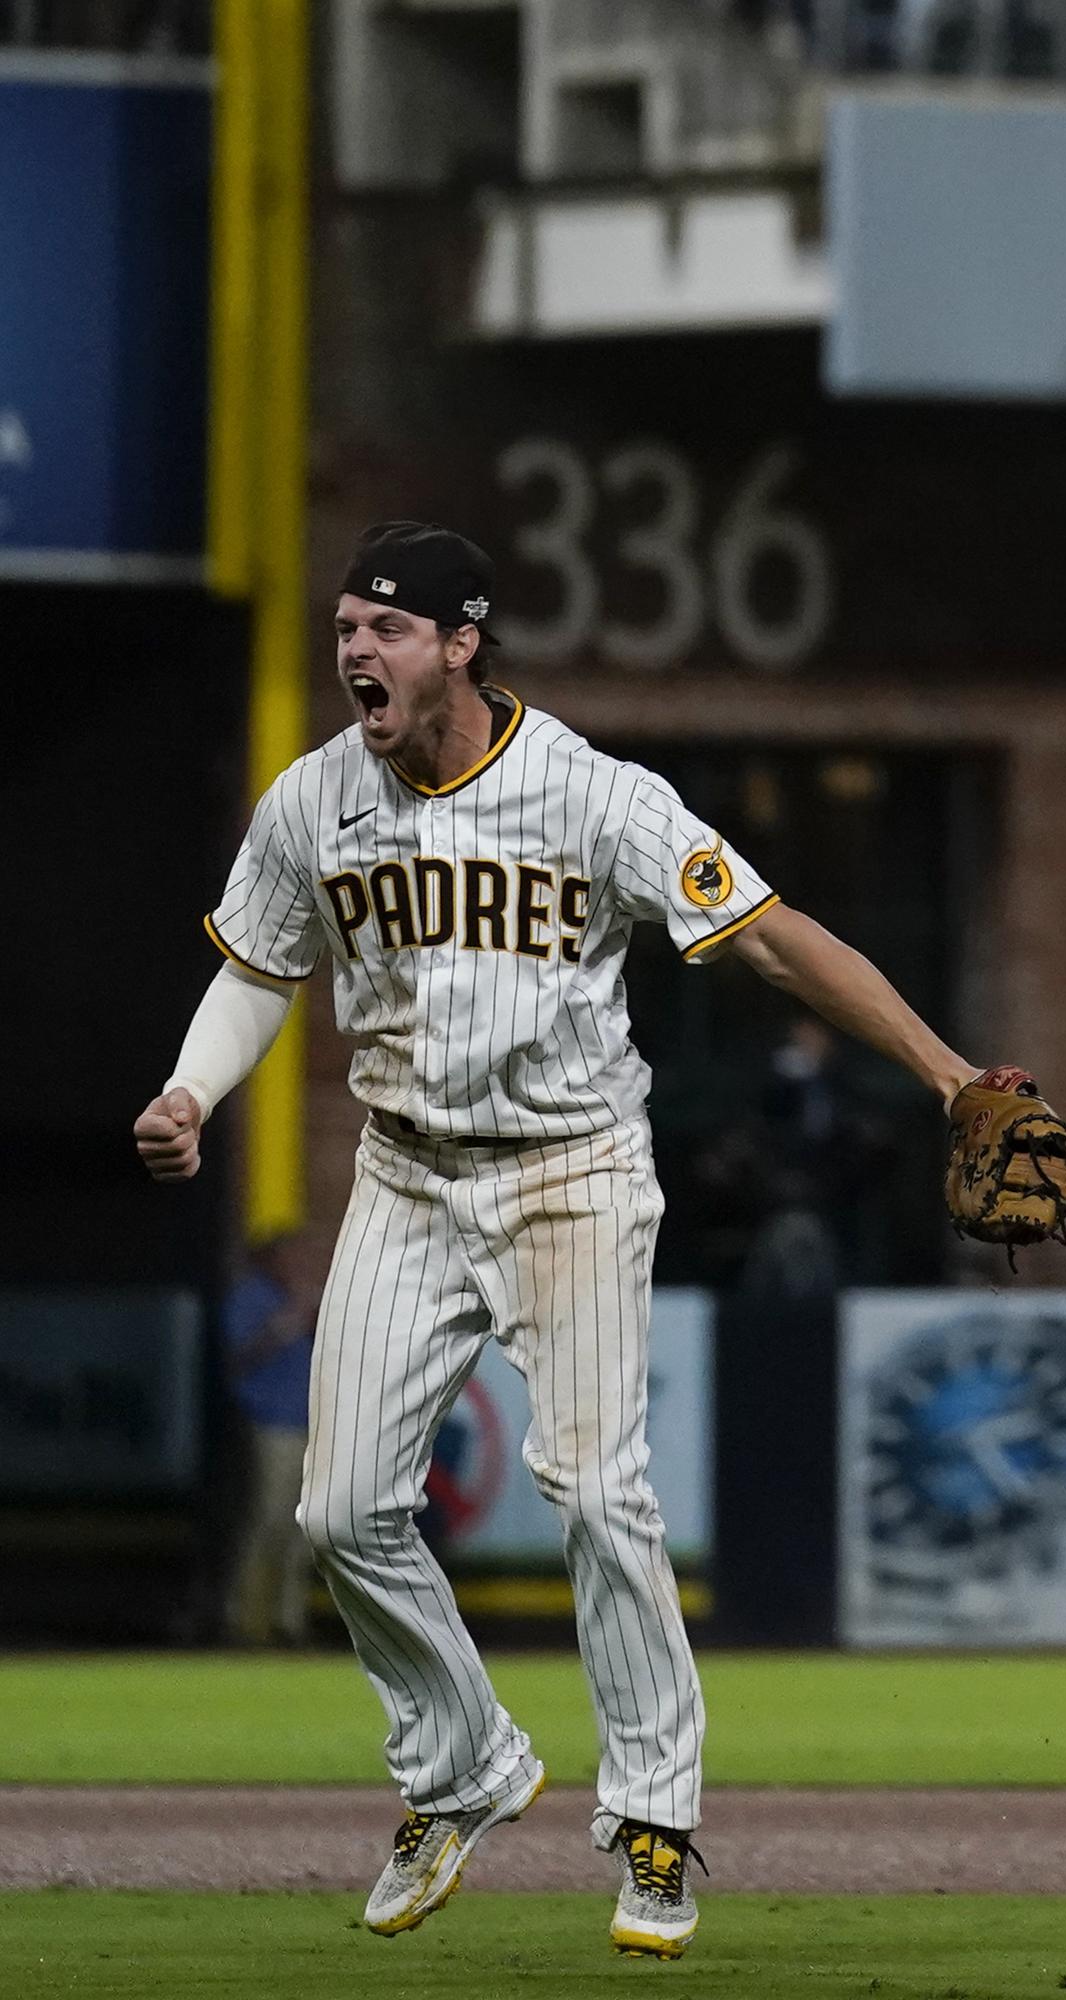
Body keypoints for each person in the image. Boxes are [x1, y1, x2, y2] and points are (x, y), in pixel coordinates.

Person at [135, 522, 994, 1956]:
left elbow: (775, 937)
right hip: (405, 1176)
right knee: (340, 1510)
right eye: (346, 627)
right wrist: (188, 1087)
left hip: (574, 1171)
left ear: (461, 644)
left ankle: (655, 1824)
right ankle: (464, 1765)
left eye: (386, 629)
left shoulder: (594, 794)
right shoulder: (311, 801)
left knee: (600, 1493)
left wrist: (950, 1074)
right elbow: (257, 969)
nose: (356, 650)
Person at [222, 1233, 317, 1646]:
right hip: (270, 1423)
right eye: (291, 1255)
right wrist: (285, 1324)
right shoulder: (252, 1297)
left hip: (308, 1422)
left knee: (303, 1527)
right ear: (270, 1259)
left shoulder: (301, 1298)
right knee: (270, 1519)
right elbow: (238, 1359)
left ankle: (288, 1623)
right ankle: (245, 1620)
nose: (298, 1263)